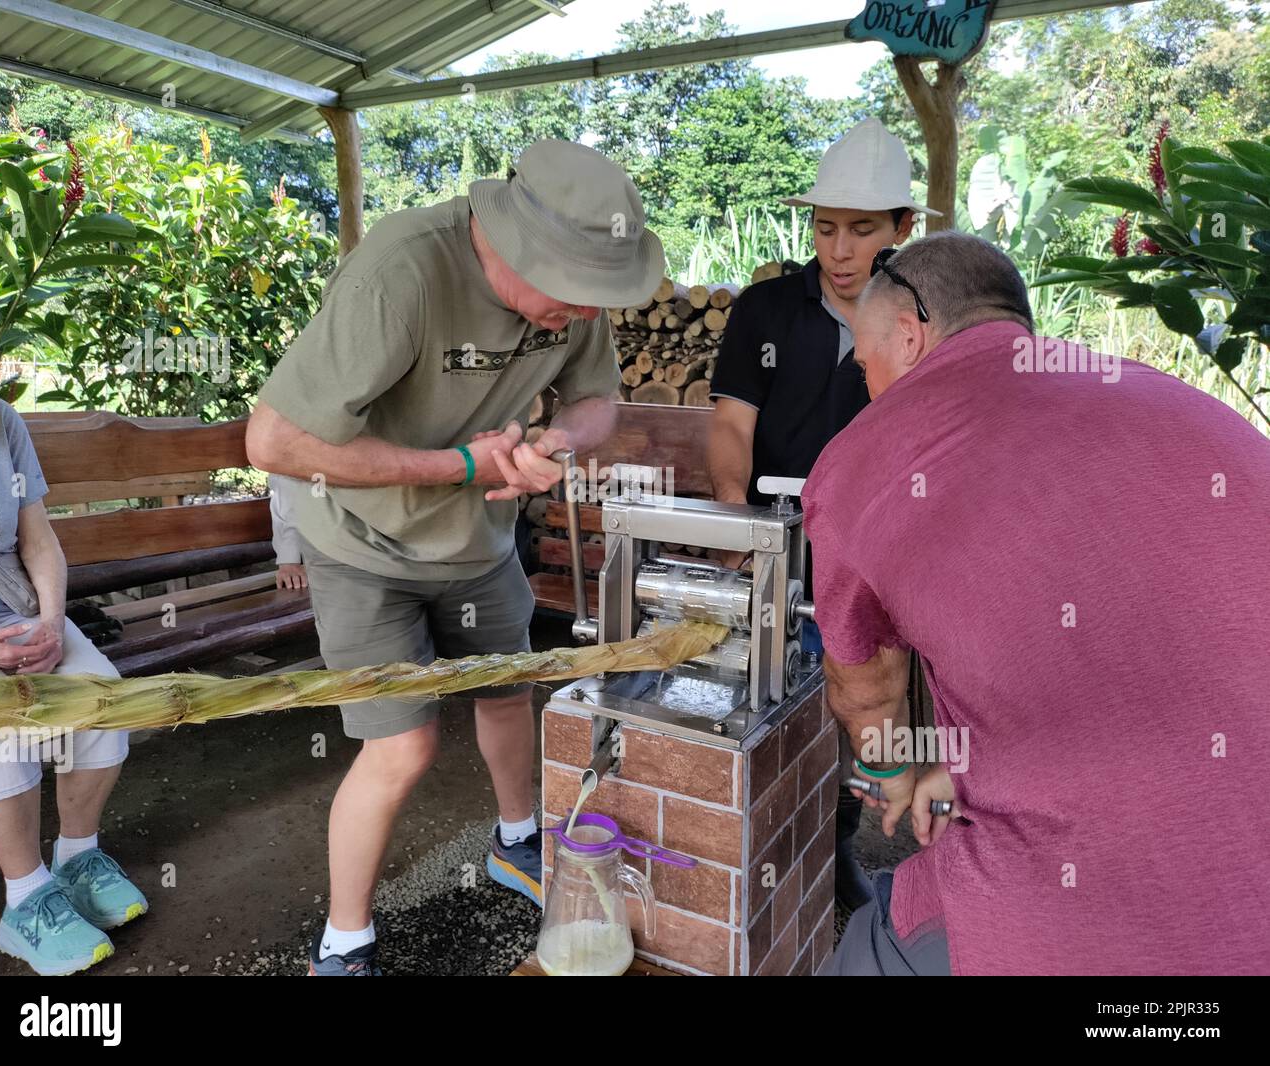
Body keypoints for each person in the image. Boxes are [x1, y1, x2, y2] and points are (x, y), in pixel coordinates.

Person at [246, 139, 664, 975]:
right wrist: (458, 469)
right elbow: (273, 440)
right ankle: (345, 939)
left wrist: (556, 442)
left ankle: (518, 843)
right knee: (402, 747)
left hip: (475, 545)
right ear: (511, 247)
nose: (583, 315)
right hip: (362, 542)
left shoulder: (573, 296)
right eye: (573, 296)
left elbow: (594, 398)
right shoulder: (399, 274)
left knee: (509, 696)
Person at [805, 232, 1270, 975]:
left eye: (866, 367)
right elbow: (1134, 667)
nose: (869, 390)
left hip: (1080, 935)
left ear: (909, 332)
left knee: (865, 953)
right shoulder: (1179, 403)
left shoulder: (867, 455)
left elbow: (867, 694)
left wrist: (896, 777)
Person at [707, 117, 935, 909]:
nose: (840, 251)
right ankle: (778, 850)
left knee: (872, 712)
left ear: (903, 227)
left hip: (883, 555)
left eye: (863, 229)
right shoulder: (765, 310)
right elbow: (732, 425)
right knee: (783, 702)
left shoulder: (928, 319)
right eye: (826, 227)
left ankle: (859, 859)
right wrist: (739, 521)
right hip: (777, 547)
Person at [0, 317, 147, 976]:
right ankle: (25, 902)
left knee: (102, 700)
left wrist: (49, 621)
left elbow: (37, 538)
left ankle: (77, 857)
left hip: (13, 611)